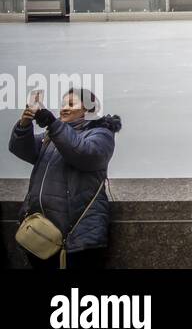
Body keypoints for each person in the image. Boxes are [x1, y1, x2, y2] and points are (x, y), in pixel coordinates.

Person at [9, 88, 121, 269]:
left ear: (88, 109)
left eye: (70, 104)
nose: (63, 109)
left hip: (78, 237)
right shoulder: (52, 136)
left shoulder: (101, 134)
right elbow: (22, 149)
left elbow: (84, 154)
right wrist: (25, 123)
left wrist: (52, 124)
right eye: (62, 104)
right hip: (42, 233)